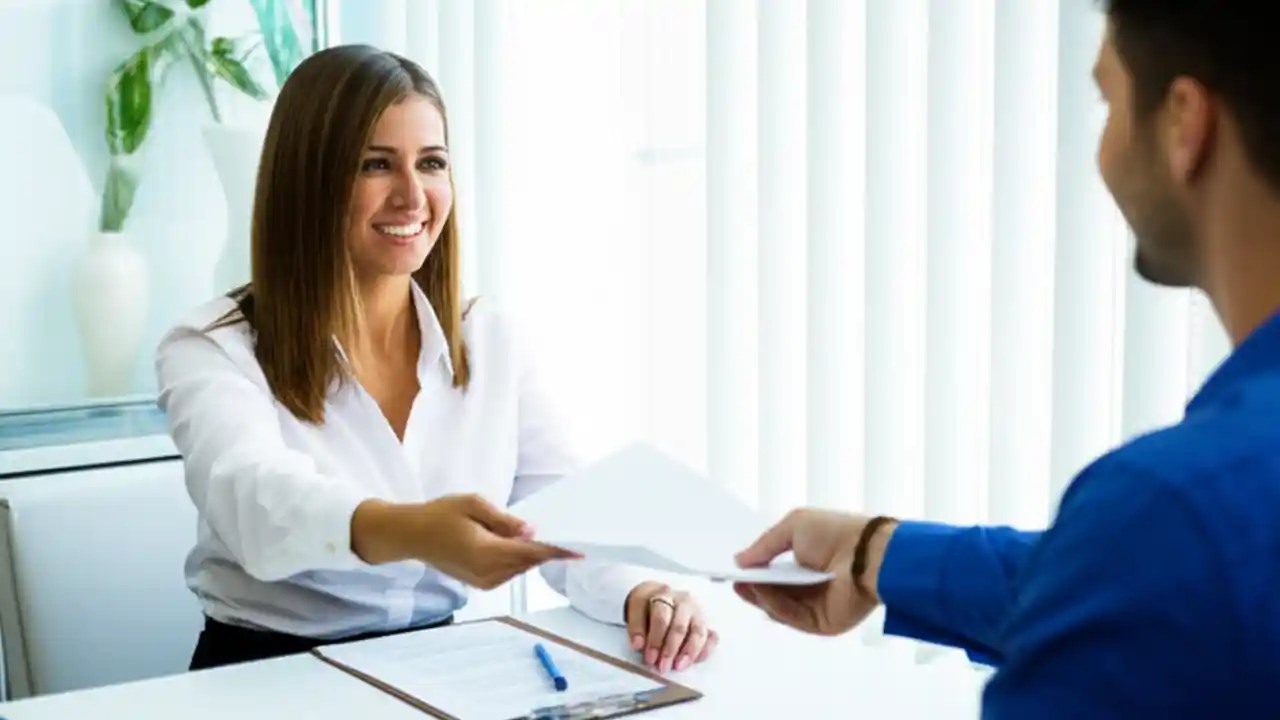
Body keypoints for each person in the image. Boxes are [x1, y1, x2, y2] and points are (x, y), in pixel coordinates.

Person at [735, 2, 1280, 716]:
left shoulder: (1174, 511)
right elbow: (1142, 589)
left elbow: (1154, 568)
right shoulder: (1187, 536)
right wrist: (876, 552)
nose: (1104, 148)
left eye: (1106, 100)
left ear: (1184, 122)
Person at [156, 45, 716, 674]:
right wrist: (417, 530)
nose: (412, 195)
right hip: (267, 675)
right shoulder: (213, 346)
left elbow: (559, 501)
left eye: (431, 163)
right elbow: (253, 504)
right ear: (307, 179)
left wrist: (640, 591)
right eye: (375, 165)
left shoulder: (490, 339)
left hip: (440, 667)